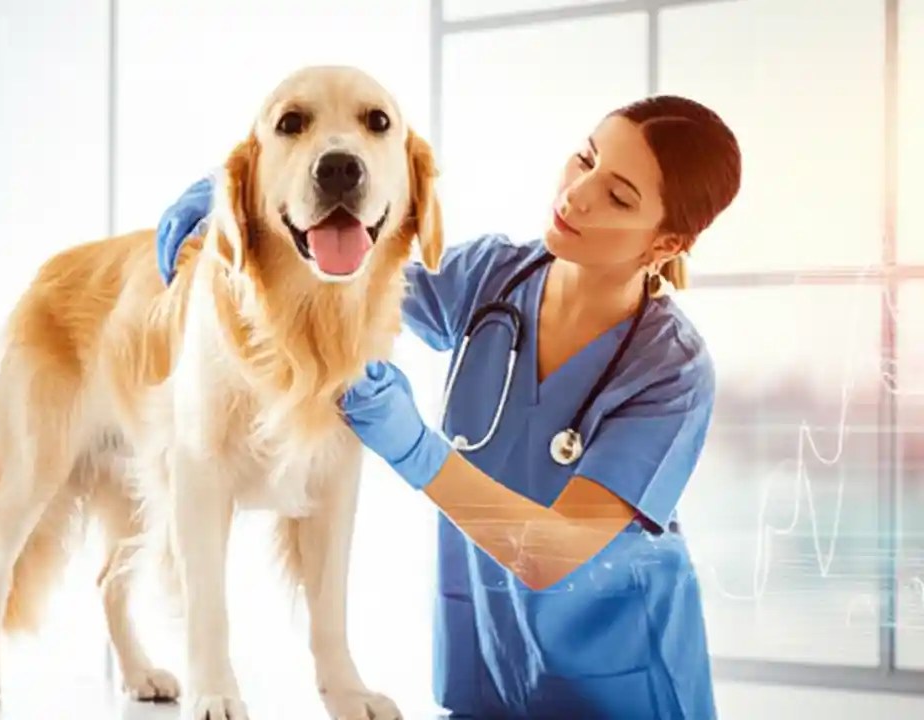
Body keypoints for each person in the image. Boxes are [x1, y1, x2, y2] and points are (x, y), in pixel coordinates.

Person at [153, 95, 741, 719]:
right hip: (488, 673)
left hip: (622, 687)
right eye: (585, 159)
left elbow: (550, 553)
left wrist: (415, 448)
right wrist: (245, 198)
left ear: (665, 242)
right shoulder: (493, 278)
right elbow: (357, 271)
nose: (577, 195)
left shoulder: (670, 373)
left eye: (618, 196)